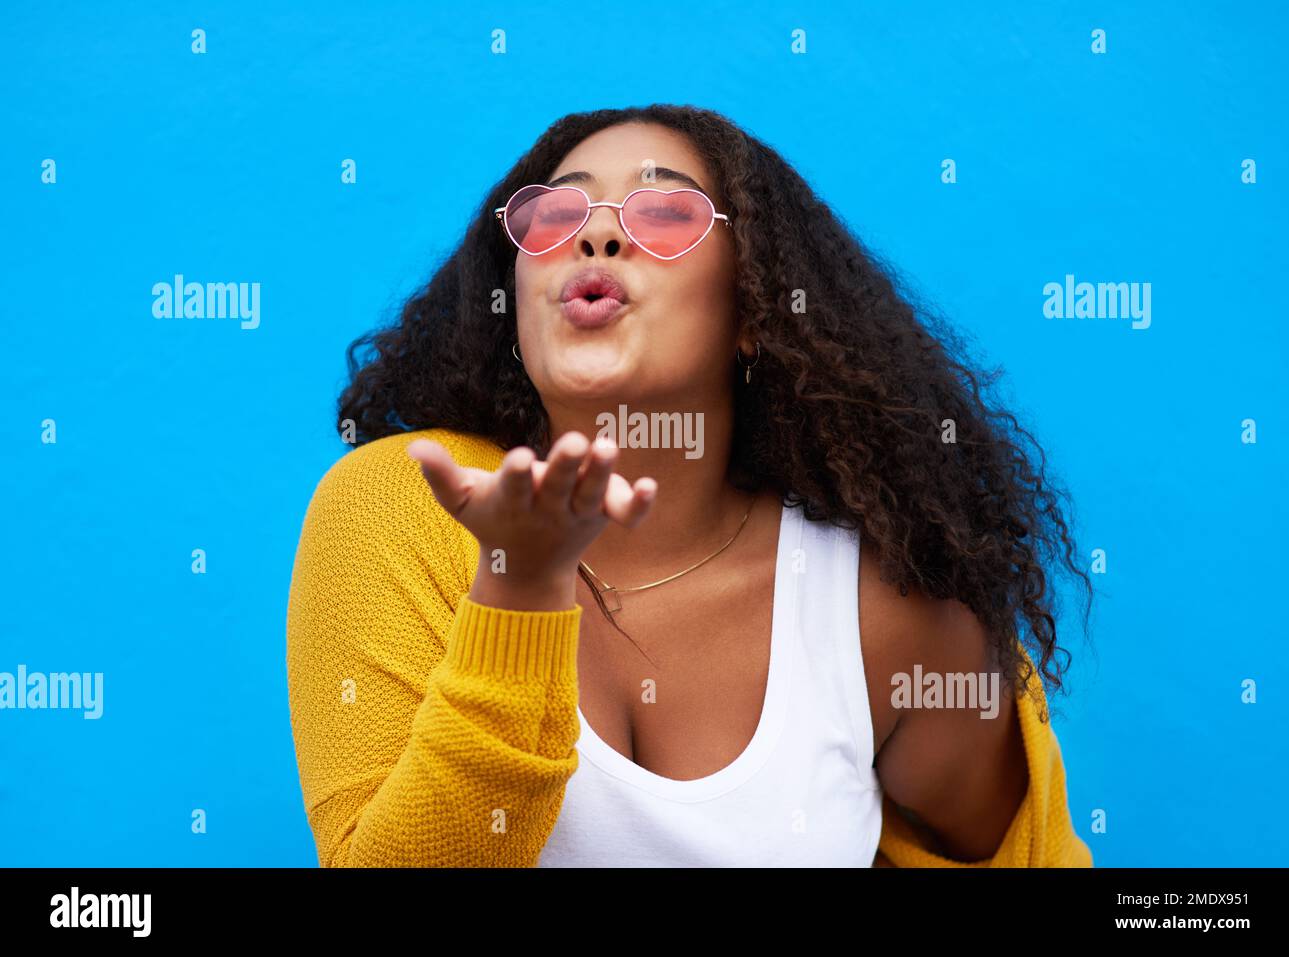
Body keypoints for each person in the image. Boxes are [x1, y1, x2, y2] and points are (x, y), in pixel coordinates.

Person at [286, 104, 1094, 867]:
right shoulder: (402, 504)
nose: (595, 234)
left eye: (664, 215)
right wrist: (517, 595)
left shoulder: (881, 605)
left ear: (755, 309)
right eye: (556, 215)